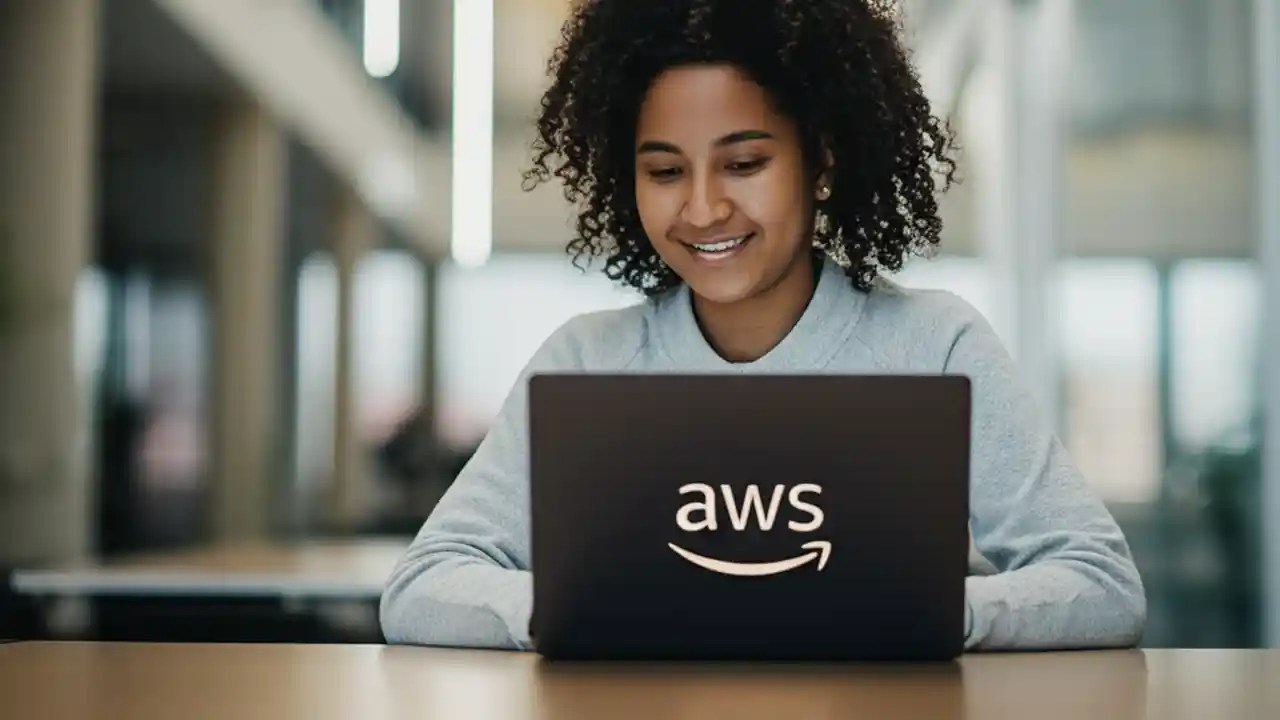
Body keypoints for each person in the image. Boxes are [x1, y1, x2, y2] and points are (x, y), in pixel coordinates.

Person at [381, 0, 1145, 651]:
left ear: (822, 163)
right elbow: (422, 585)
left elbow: (1103, 584)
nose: (704, 208)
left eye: (744, 164)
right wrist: (584, 612)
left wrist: (929, 615)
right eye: (666, 171)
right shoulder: (586, 360)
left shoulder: (936, 346)